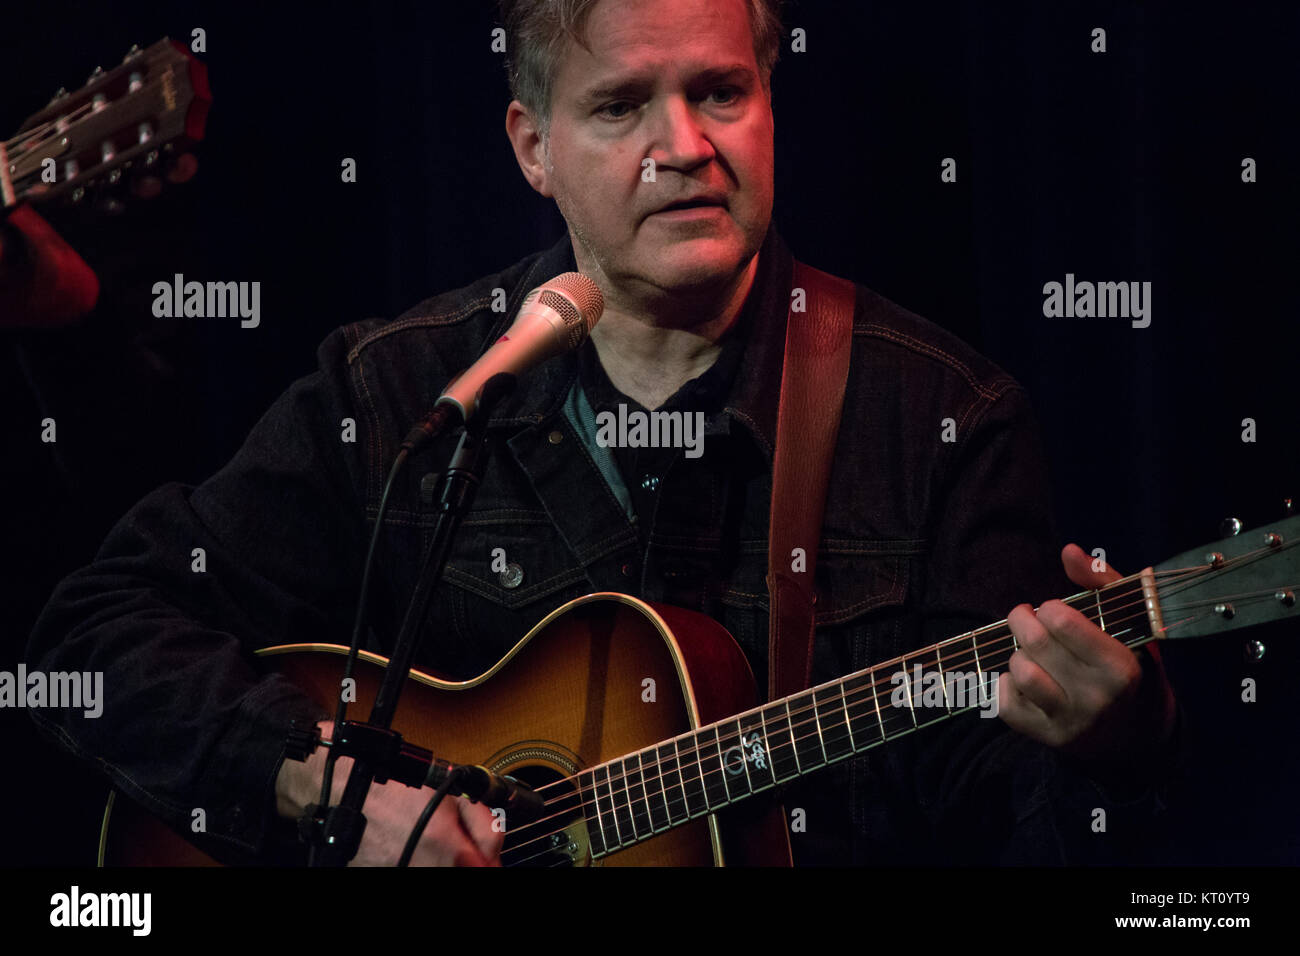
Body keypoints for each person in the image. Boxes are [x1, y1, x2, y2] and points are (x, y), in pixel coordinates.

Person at [27, 0, 1180, 867]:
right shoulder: (400, 390)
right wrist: (320, 785)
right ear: (532, 147)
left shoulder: (940, 419)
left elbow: (1016, 831)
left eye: (720, 92)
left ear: (772, 104)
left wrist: (1106, 750)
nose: (682, 144)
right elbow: (95, 632)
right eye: (622, 105)